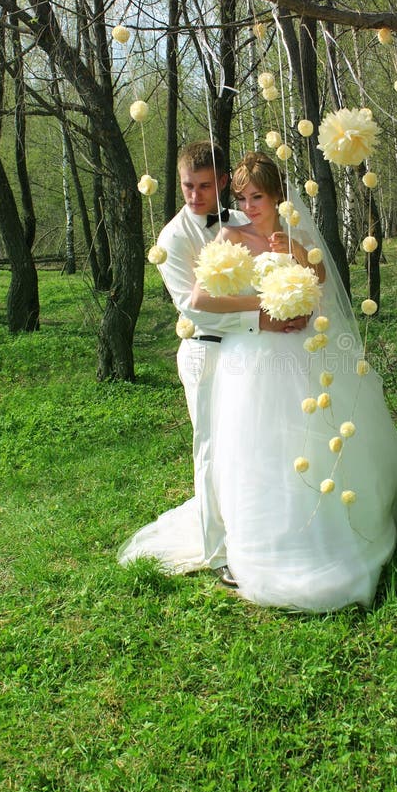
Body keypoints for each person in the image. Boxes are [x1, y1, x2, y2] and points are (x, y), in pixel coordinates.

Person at [192, 152, 397, 611]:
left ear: (277, 196)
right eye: (243, 197)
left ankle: (324, 525)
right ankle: (267, 540)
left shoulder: (293, 233)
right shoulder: (228, 236)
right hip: (254, 357)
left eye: (258, 197)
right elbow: (202, 297)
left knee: (313, 438)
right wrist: (259, 309)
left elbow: (321, 277)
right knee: (262, 444)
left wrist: (295, 261)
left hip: (306, 349)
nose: (250, 206)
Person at [118, 142, 305, 583]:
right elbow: (194, 305)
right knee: (209, 450)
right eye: (187, 186)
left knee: (252, 447)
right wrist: (263, 316)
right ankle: (217, 552)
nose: (195, 196)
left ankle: (259, 532)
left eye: (204, 186)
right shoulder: (172, 239)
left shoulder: (242, 219)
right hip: (205, 350)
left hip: (251, 354)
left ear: (221, 183)